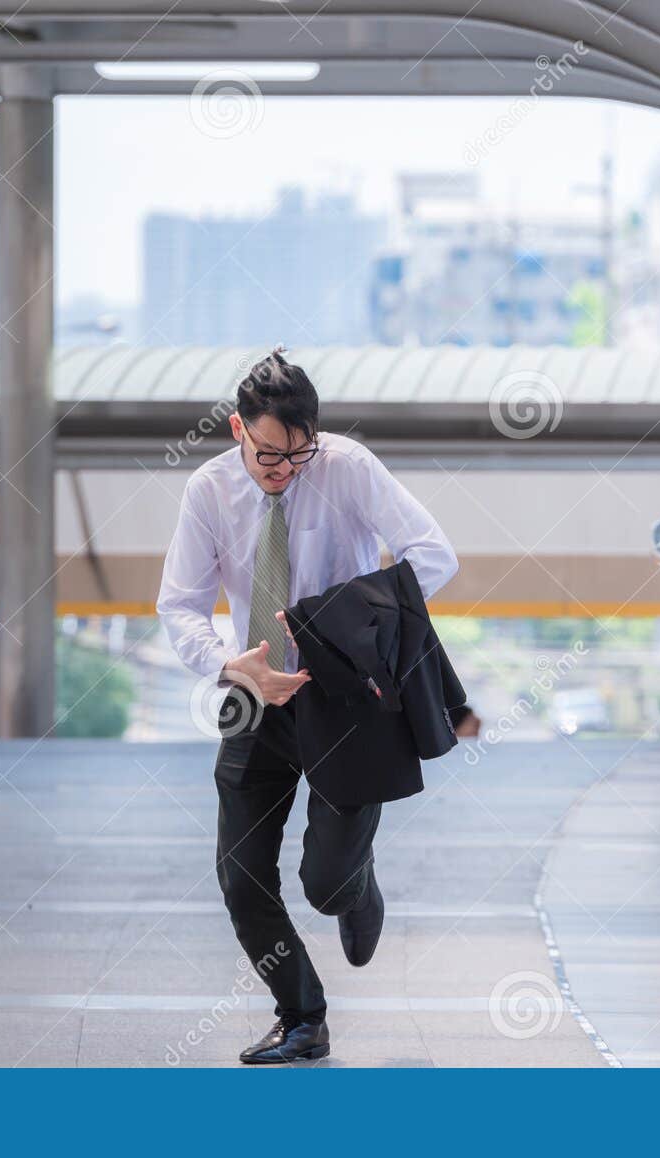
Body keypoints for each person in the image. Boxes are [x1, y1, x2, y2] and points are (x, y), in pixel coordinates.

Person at [157, 349, 468, 1064]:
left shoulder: (347, 467)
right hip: (255, 694)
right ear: (237, 428)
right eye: (269, 454)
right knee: (240, 876)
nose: (283, 469)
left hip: (347, 700)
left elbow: (433, 554)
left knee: (324, 885)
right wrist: (225, 663)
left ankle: (356, 889)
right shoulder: (208, 492)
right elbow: (178, 604)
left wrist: (338, 620)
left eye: (298, 456)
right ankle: (302, 1016)